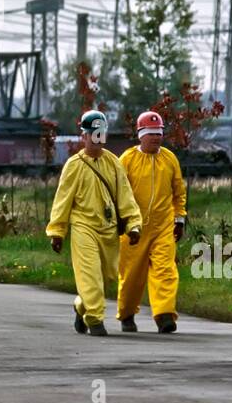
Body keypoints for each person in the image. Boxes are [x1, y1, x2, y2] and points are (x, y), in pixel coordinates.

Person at [47, 110, 143, 336]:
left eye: (101, 134)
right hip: (83, 227)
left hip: (109, 230)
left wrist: (133, 224)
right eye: (93, 134)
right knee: (90, 275)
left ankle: (81, 307)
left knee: (107, 277)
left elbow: (125, 196)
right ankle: (95, 319)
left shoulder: (113, 163)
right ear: (85, 136)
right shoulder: (74, 165)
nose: (97, 138)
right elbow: (63, 200)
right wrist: (57, 232)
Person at [116, 110, 187, 334]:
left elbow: (178, 191)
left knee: (166, 270)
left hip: (163, 226)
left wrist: (180, 218)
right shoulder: (127, 160)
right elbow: (116, 192)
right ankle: (127, 314)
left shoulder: (169, 158)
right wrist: (120, 220)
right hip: (133, 228)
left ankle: (164, 314)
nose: (156, 137)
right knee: (131, 277)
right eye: (151, 133)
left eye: (159, 133)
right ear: (140, 135)